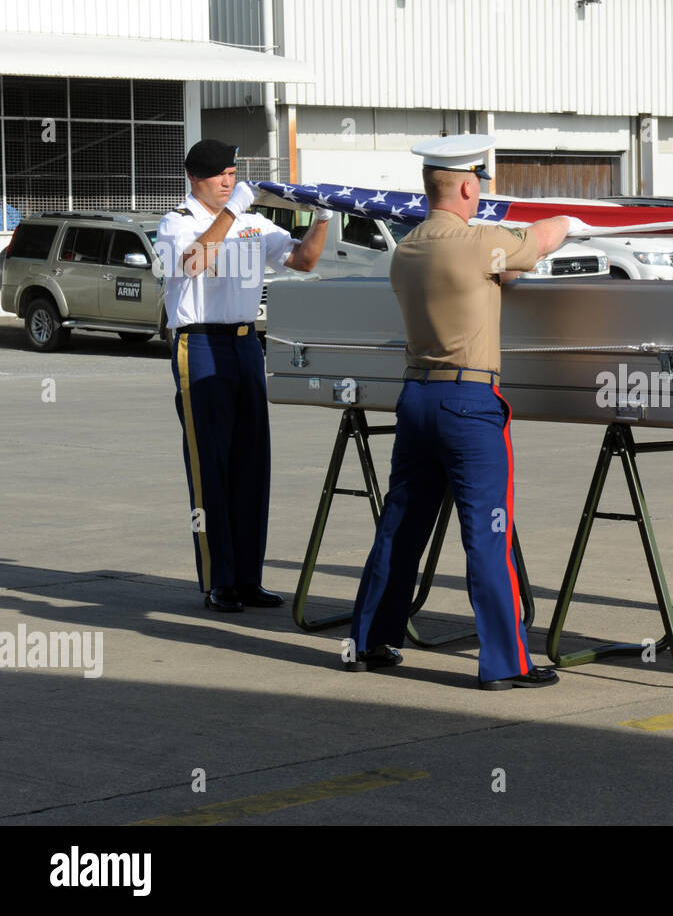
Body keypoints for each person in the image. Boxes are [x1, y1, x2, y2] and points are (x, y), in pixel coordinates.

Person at [346, 134, 571, 689]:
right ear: (470, 186)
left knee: (401, 525)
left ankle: (371, 639)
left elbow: (488, 275)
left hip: (417, 397)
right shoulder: (476, 242)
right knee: (486, 532)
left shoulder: (408, 248)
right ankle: (504, 662)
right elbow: (545, 237)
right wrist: (571, 218)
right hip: (468, 402)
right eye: (478, 189)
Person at [157, 139, 328, 613]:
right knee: (210, 465)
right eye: (218, 175)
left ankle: (249, 578)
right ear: (195, 178)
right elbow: (191, 263)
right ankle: (219, 580)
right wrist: (230, 212)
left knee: (252, 464)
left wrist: (323, 218)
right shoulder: (178, 221)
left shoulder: (253, 222)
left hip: (245, 341)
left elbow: (304, 260)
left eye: (232, 173)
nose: (228, 181)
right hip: (201, 344)